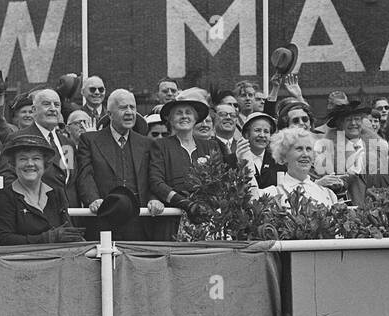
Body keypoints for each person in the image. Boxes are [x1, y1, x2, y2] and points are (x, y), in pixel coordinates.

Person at [147, 87, 235, 238]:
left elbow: (221, 180)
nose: (184, 117)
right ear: (170, 119)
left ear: (196, 119)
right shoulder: (161, 145)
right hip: (174, 218)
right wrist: (185, 204)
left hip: (208, 219)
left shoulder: (211, 146)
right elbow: (156, 182)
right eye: (178, 113)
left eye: (188, 113)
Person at [76, 89, 156, 240]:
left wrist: (154, 199)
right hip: (104, 217)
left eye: (132, 107)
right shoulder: (89, 140)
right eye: (123, 108)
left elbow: (154, 177)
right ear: (109, 113)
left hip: (139, 222)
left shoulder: (146, 143)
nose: (129, 112)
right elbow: (85, 175)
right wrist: (93, 199)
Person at [0, 133, 85, 245]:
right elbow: (3, 240)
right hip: (21, 261)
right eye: (23, 159)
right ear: (13, 164)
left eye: (36, 158)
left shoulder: (56, 194)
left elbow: (68, 233)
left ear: (45, 164)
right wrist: (46, 238)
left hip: (57, 260)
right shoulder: (4, 197)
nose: (30, 164)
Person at [253, 127, 339, 208]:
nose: (305, 154)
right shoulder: (272, 194)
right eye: (299, 149)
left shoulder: (328, 195)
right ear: (283, 156)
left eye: (309, 149)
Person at [239, 111, 280, 191]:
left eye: (266, 131)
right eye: (257, 130)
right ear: (247, 134)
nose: (262, 135)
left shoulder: (277, 161)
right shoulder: (232, 159)